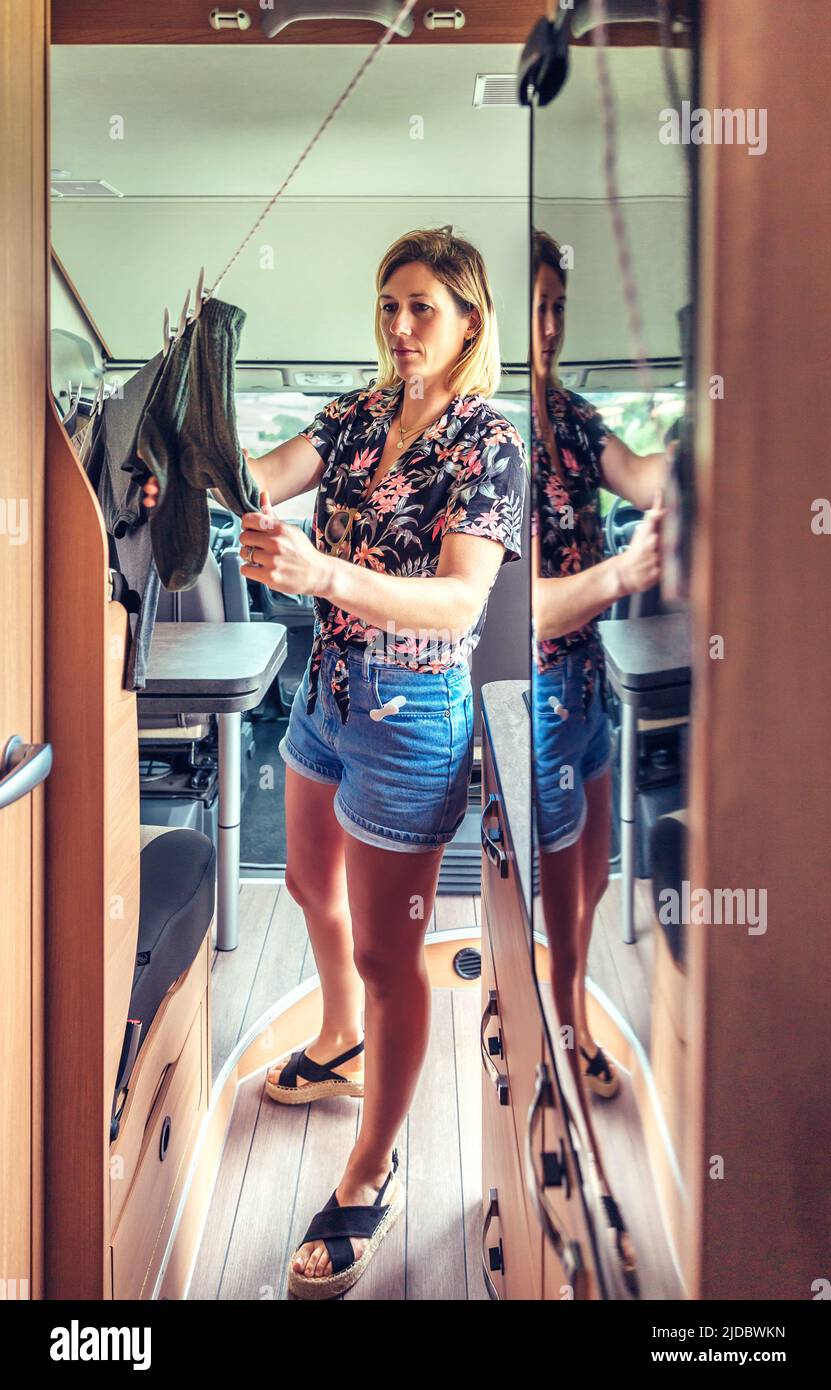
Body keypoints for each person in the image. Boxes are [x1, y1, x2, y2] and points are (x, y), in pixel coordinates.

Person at [144, 226, 527, 1298]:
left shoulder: (485, 444)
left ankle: (371, 1169)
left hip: (409, 718)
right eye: (387, 303)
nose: (400, 326)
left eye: (422, 307)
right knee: (311, 885)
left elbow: (458, 601)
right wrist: (181, 449)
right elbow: (255, 479)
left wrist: (321, 572)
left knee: (387, 954)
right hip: (329, 695)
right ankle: (342, 1038)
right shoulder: (358, 415)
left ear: (465, 320)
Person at [530, 227, 674, 1294]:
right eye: (526, 310)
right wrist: (623, 572)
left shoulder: (574, 421)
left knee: (581, 895)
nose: (541, 332)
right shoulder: (479, 431)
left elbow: (642, 471)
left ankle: (570, 1025)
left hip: (581, 683)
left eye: (554, 313)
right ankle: (536, 1067)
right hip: (522, 691)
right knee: (533, 898)